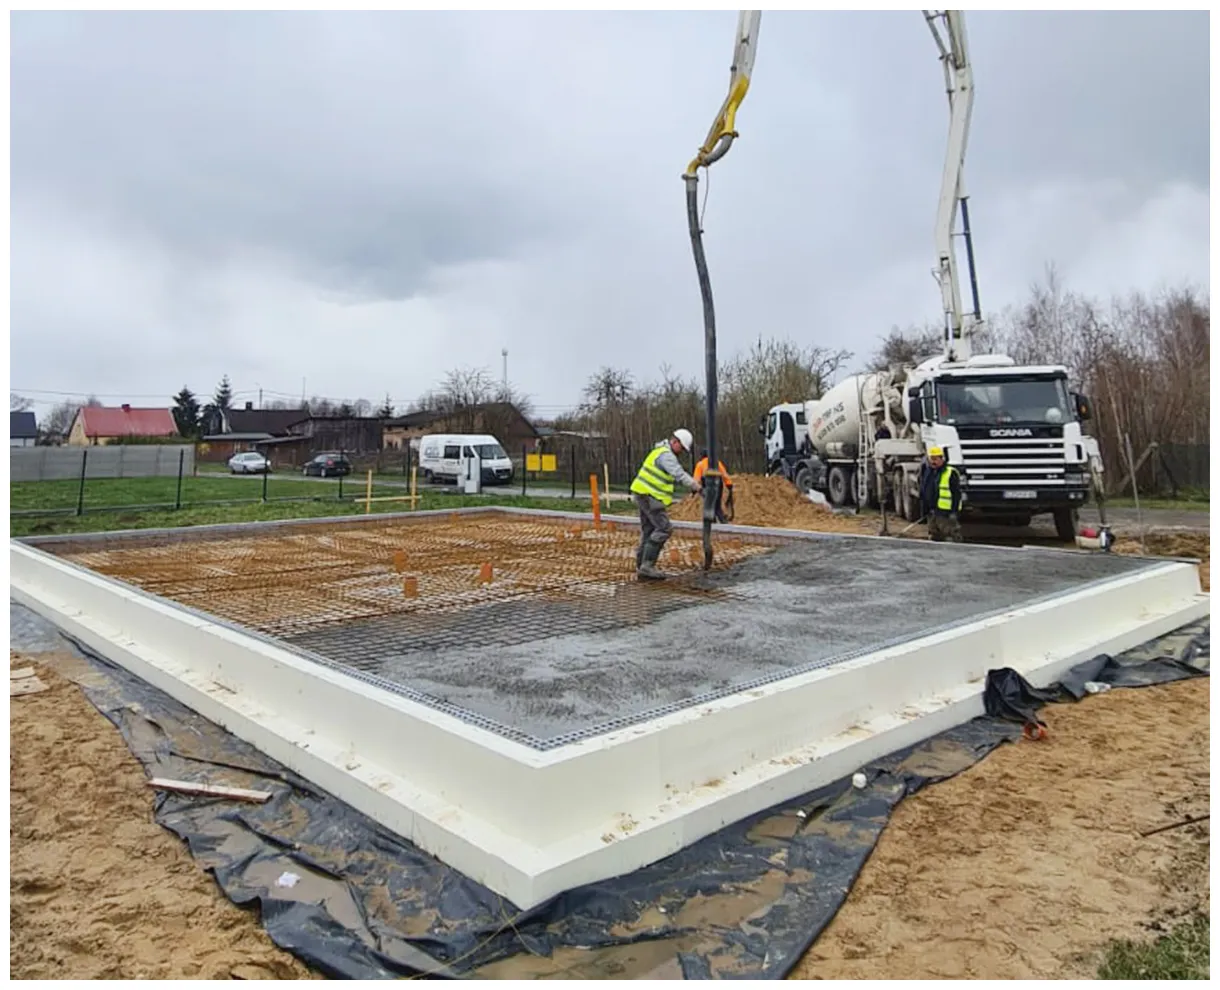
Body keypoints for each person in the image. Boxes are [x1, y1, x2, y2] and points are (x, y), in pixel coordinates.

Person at [629, 428, 702, 579]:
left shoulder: (660, 451)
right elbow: (678, 474)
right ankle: (647, 566)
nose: (681, 451)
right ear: (675, 441)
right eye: (681, 448)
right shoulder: (666, 455)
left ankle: (642, 564)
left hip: (643, 493)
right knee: (664, 528)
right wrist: (696, 486)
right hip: (649, 496)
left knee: (649, 530)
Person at [919, 445, 963, 542]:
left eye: (936, 459)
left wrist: (953, 512)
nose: (933, 461)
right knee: (934, 536)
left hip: (945, 513)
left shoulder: (950, 473)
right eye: (931, 459)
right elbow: (923, 490)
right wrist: (924, 509)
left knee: (950, 536)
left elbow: (956, 494)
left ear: (942, 458)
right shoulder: (927, 472)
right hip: (932, 511)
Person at [693, 449, 735, 523]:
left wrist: (694, 490)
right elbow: (725, 475)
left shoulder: (700, 464)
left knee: (710, 505)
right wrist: (729, 485)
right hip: (718, 484)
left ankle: (717, 522)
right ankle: (720, 521)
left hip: (707, 485)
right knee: (717, 505)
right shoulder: (717, 463)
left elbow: (696, 479)